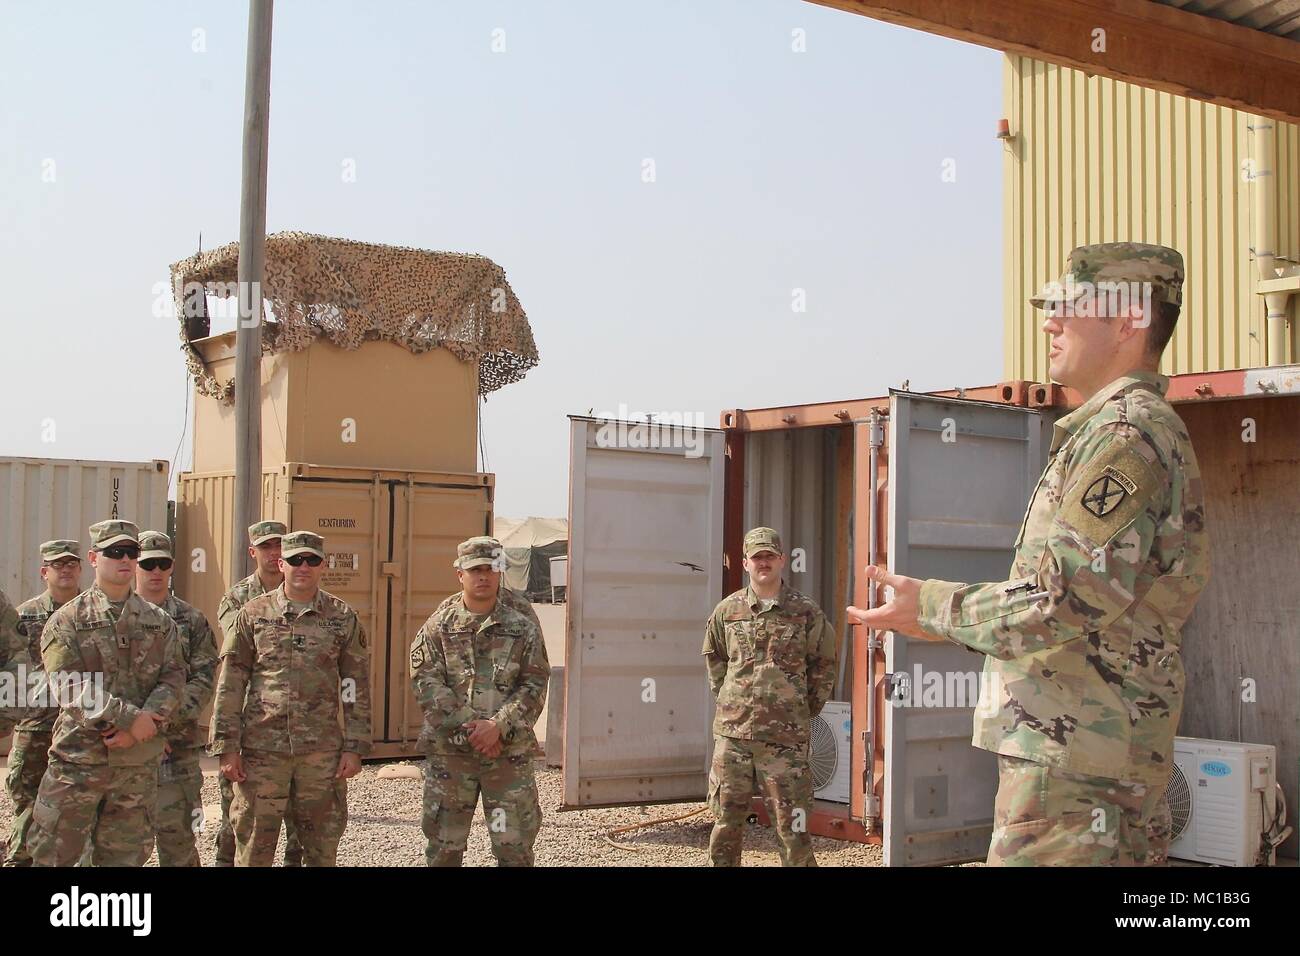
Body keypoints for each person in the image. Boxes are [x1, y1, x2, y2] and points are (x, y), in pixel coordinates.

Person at [848, 242, 1210, 866]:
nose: (1049, 321)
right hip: (1088, 755)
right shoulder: (1114, 429)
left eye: (1070, 305)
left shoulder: (1124, 434)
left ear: (1130, 321)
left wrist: (929, 607)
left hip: (1079, 769)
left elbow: (1060, 599)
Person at [27, 520, 186, 866]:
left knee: (124, 859)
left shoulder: (160, 622)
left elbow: (173, 678)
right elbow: (67, 685)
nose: (124, 560)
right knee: (54, 856)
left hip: (134, 767)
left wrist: (145, 726)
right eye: (114, 552)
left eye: (131, 552)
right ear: (94, 557)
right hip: (78, 764)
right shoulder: (67, 620)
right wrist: (130, 719)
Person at [210, 530, 370, 867]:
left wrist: (355, 747)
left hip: (320, 754)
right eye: (296, 560)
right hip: (262, 752)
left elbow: (355, 683)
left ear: (322, 565)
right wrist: (226, 747)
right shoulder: (253, 614)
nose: (304, 566)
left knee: (320, 848)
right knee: (255, 846)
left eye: (312, 560)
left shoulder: (341, 617)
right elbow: (231, 683)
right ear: (281, 564)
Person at [701, 527, 838, 866]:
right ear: (745, 562)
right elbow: (714, 657)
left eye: (769, 556)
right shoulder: (727, 611)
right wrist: (729, 699)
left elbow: (824, 662)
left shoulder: (804, 612)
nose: (763, 563)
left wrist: (802, 708)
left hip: (784, 741)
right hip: (734, 737)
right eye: (756, 557)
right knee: (725, 822)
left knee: (793, 826)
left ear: (781, 560)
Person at [410, 536, 549, 866]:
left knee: (513, 847)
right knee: (445, 848)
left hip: (507, 757)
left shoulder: (522, 625)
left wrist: (498, 727)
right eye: (475, 570)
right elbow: (426, 682)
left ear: (500, 572)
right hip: (452, 757)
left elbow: (535, 682)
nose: (483, 576)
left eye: (490, 568)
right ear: (460, 574)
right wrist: (473, 729)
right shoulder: (439, 625)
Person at [212, 520, 301, 866]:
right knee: (236, 810)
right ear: (253, 552)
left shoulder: (302, 592)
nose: (274, 552)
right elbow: (240, 649)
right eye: (266, 547)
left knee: (298, 812)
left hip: (293, 720)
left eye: (279, 546)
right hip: (249, 717)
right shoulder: (237, 599)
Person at [135, 530, 218, 867]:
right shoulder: (116, 618)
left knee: (180, 838)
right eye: (148, 564)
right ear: (135, 566)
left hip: (177, 748)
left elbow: (204, 678)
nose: (155, 571)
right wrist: (137, 725)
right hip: (127, 748)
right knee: (119, 845)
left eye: (162, 564)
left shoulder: (191, 620)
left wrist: (163, 725)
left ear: (171, 568)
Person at [4, 540, 81, 866]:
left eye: (70, 563)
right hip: (35, 726)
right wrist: (11, 720)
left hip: (79, 729)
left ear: (81, 568)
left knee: (76, 809)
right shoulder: (25, 614)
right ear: (44, 572)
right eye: (57, 564)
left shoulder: (90, 613)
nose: (64, 569)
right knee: (28, 804)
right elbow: (10, 669)